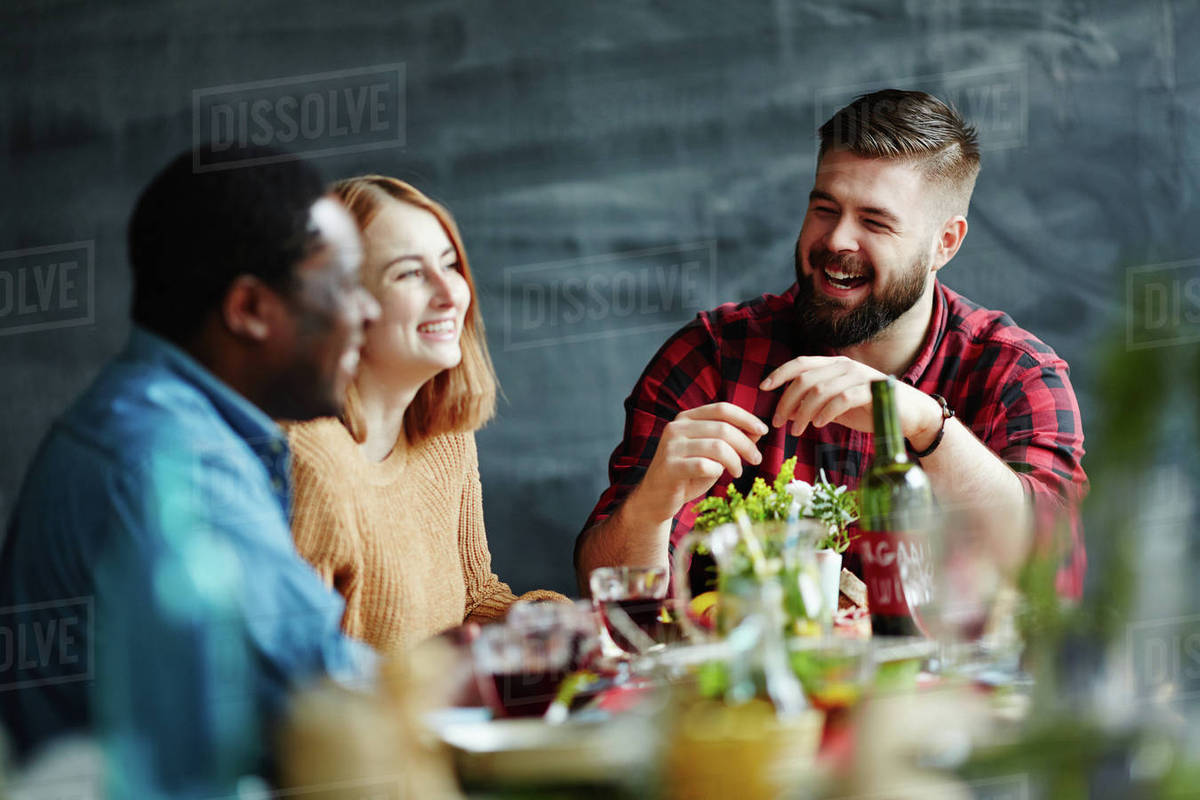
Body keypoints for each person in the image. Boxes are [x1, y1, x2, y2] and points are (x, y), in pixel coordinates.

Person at [575, 90, 1087, 598]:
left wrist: (926, 423)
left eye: (875, 221)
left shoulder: (1016, 375)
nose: (838, 239)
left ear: (944, 243)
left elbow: (1053, 579)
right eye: (825, 208)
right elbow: (613, 599)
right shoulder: (710, 358)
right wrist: (648, 510)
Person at [0, 145, 381, 795]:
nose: (366, 311)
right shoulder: (173, 461)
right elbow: (320, 701)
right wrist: (479, 675)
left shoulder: (156, 418)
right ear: (249, 310)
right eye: (345, 283)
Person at [287, 175, 564, 655]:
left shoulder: (444, 435)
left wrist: (557, 623)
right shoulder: (308, 461)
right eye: (409, 273)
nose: (451, 293)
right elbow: (299, 688)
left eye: (450, 265)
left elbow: (475, 598)